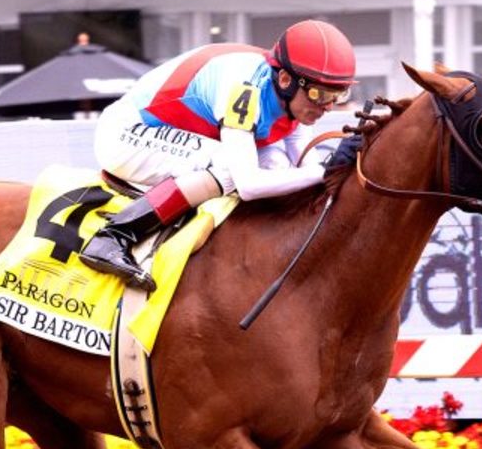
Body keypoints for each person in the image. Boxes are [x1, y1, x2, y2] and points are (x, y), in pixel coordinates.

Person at [79, 19, 363, 291]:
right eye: (320, 95)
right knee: (231, 167)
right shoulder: (244, 89)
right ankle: (114, 236)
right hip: (127, 135)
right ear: (286, 79)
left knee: (276, 165)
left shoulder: (288, 93)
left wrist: (336, 170)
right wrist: (327, 170)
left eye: (337, 95)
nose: (328, 107)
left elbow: (306, 168)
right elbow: (249, 185)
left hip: (169, 132)